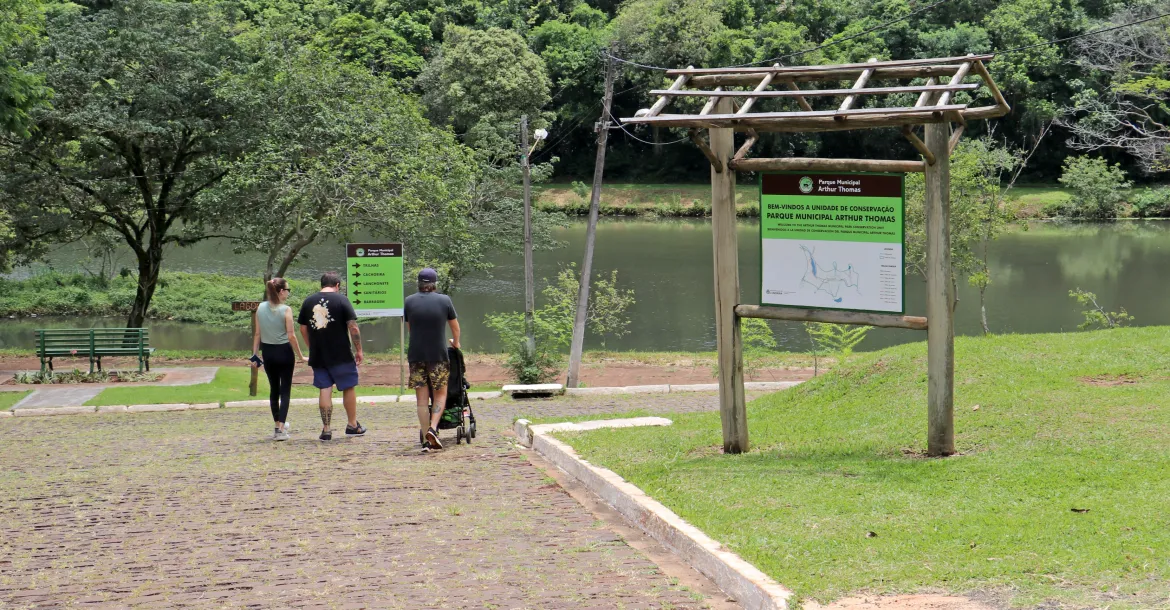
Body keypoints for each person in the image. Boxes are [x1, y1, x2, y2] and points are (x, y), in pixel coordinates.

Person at [297, 271, 366, 441]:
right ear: (337, 285)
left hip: (319, 354)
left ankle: (326, 429)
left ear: (321, 284)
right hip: (341, 353)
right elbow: (353, 327)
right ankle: (352, 425)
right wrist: (359, 350)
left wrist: (311, 347)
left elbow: (303, 328)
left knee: (325, 388)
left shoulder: (309, 301)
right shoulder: (342, 300)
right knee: (348, 387)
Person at [404, 268, 460, 451]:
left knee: (421, 399)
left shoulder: (409, 301)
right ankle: (433, 429)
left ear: (419, 283)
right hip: (438, 355)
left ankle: (425, 439)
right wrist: (456, 343)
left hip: (416, 354)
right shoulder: (444, 300)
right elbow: (455, 327)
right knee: (440, 394)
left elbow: (410, 328)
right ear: (434, 283)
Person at [252, 277, 309, 441]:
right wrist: (301, 356)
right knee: (285, 391)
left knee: (274, 389)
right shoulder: (286, 310)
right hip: (284, 352)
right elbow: (291, 336)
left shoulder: (260, 308)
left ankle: (277, 424)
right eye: (287, 290)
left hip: (268, 352)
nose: (288, 293)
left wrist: (255, 354)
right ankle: (281, 428)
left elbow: (257, 334)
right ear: (281, 291)